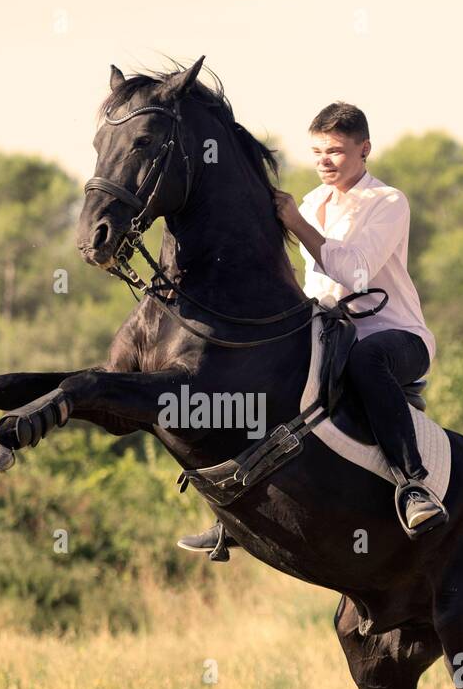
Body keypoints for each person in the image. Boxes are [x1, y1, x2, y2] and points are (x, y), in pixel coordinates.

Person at [179, 101, 447, 560]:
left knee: (366, 359)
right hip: (328, 334)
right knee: (259, 371)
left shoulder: (387, 202)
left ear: (365, 149)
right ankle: (231, 515)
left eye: (336, 151)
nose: (324, 160)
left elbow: (357, 274)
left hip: (394, 336)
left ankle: (414, 486)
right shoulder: (310, 203)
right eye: (318, 150)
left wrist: (298, 226)